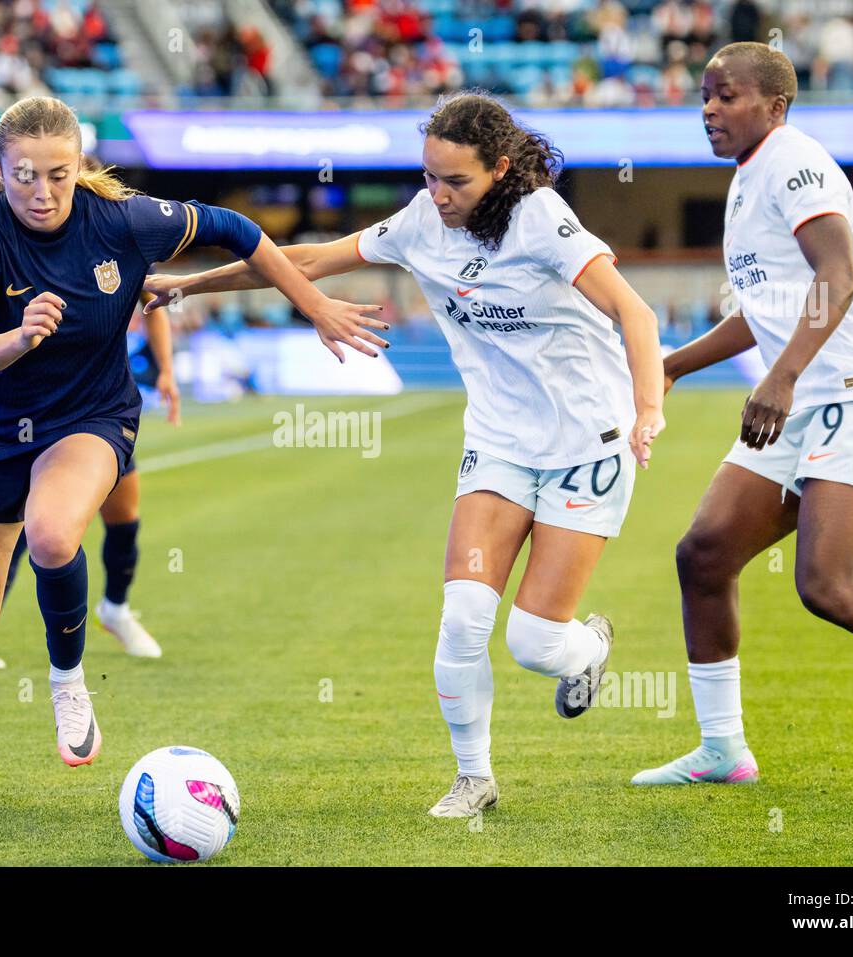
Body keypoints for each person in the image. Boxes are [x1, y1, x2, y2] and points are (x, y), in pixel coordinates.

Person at [144, 90, 665, 818]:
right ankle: (473, 777)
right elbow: (306, 258)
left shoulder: (540, 218)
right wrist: (191, 284)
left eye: (456, 181)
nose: (439, 195)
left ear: (502, 169)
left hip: (588, 441)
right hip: (500, 444)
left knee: (535, 641)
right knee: (461, 619)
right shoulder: (423, 222)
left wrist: (647, 408)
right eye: (428, 177)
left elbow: (633, 312)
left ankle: (587, 648)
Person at [0, 95, 384, 811]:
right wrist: (19, 337)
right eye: (24, 176)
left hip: (90, 415)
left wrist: (313, 305)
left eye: (59, 174)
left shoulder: (124, 219)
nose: (42, 192)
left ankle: (68, 682)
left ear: (79, 169)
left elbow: (238, 229)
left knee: (49, 533)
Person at [633, 43, 853, 786]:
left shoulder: (793, 161)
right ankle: (724, 751)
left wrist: (781, 378)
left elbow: (839, 274)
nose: (709, 110)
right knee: (705, 553)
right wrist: (672, 364)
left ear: (775, 105)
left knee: (826, 584)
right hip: (806, 400)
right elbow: (764, 310)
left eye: (727, 96)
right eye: (704, 96)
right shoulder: (746, 180)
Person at [0, 294, 178, 663]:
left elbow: (154, 300)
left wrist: (166, 370)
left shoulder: (117, 241)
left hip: (96, 409)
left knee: (124, 514)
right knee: (23, 522)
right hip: (25, 411)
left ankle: (116, 607)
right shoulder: (15, 250)